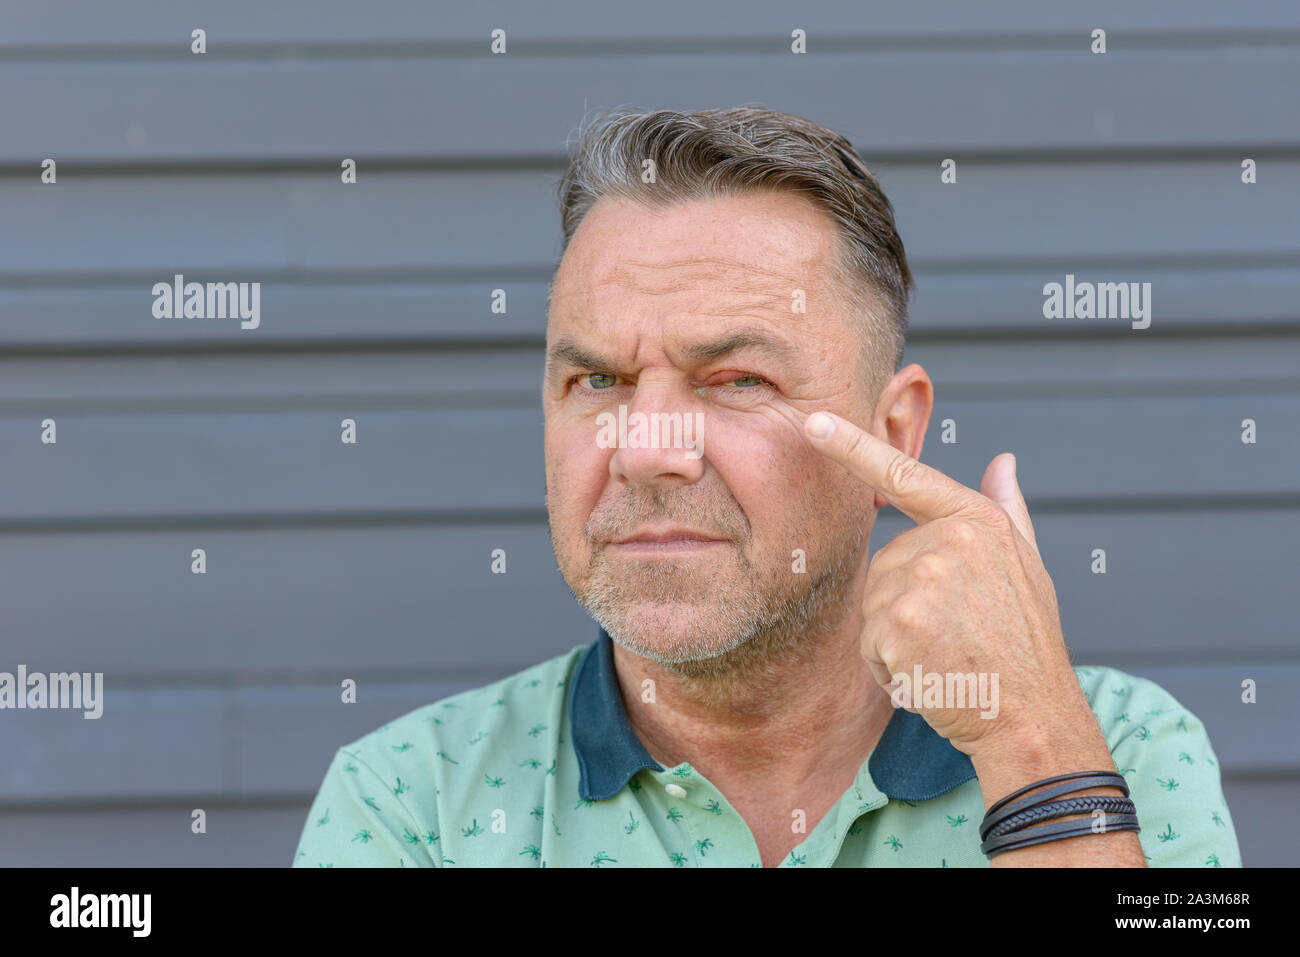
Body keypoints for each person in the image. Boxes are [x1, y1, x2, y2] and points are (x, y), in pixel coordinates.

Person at [292, 106, 1240, 868]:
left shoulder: (1119, 751)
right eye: (598, 381)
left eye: (738, 380)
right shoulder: (414, 802)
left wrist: (1033, 747)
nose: (643, 450)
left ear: (894, 432)